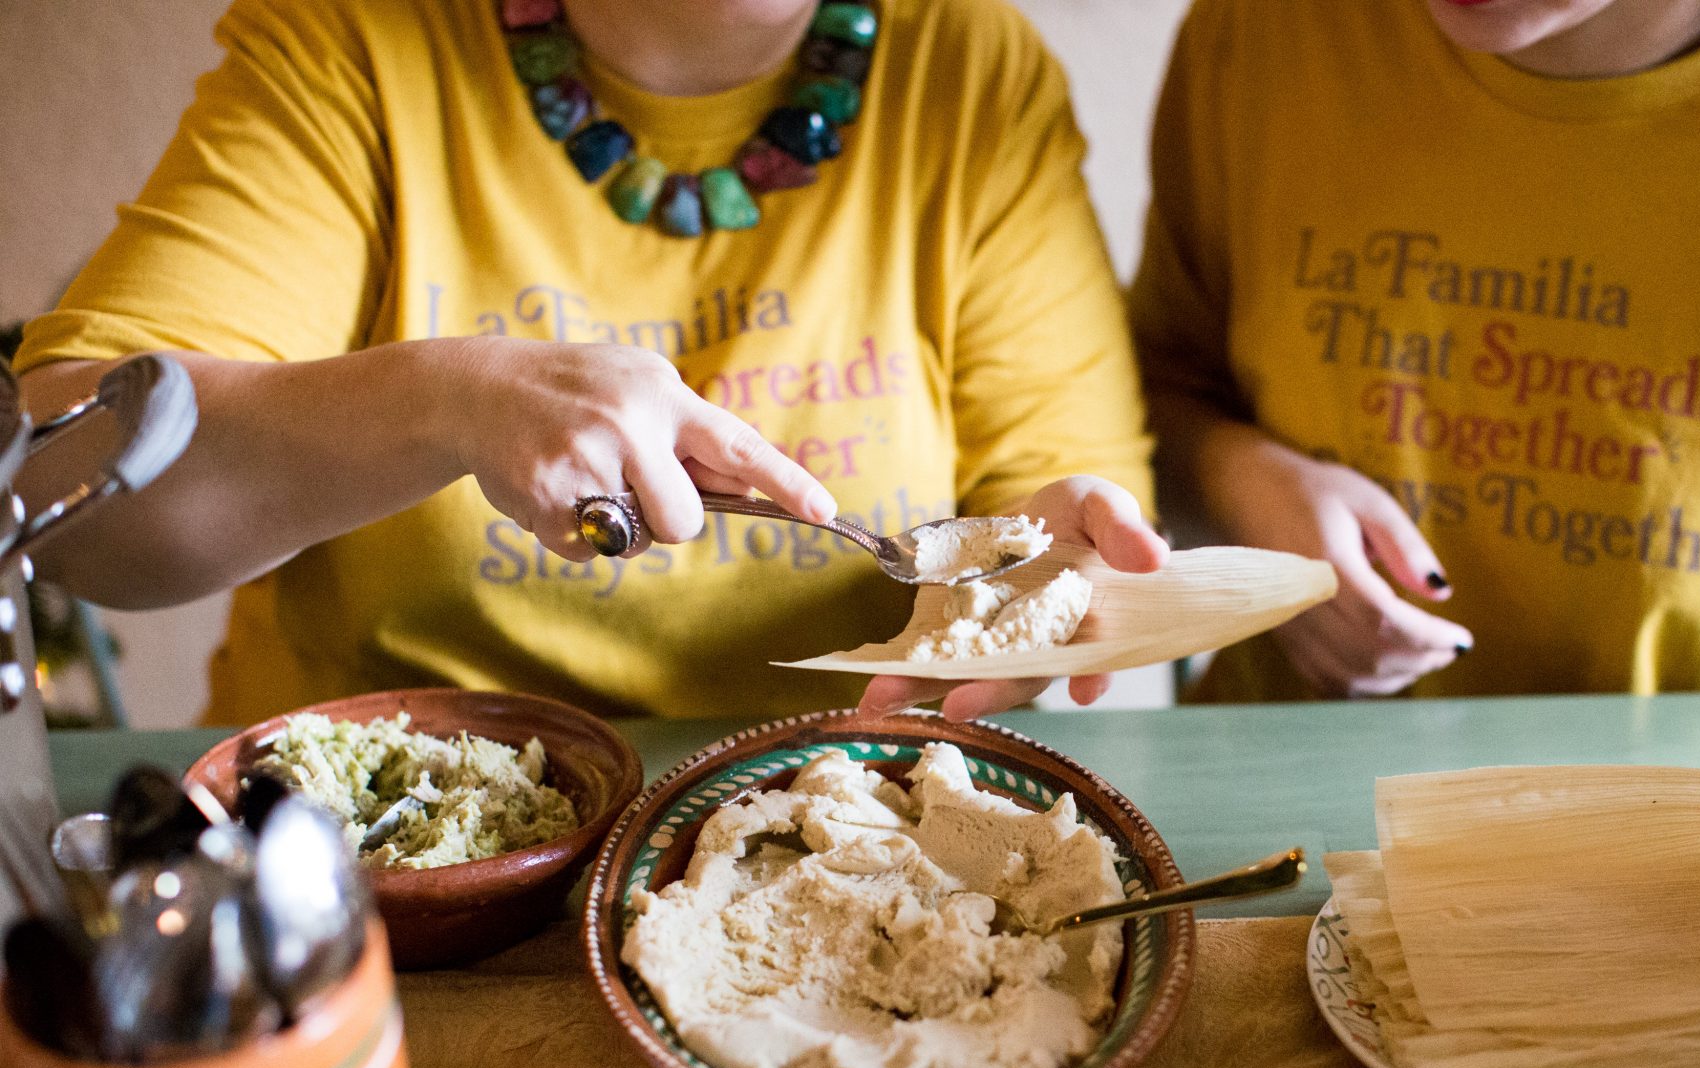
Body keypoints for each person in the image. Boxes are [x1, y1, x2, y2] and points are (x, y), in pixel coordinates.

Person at [12, 0, 1166, 725]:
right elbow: (60, 500)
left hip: (843, 830)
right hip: (383, 874)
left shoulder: (971, 72)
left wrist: (1047, 569)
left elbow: (1070, 511)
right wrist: (447, 398)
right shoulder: (352, 40)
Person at [1131, 0, 1700, 702]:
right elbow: (1136, 418)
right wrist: (1239, 483)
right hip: (1266, 831)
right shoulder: (1260, 33)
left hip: (1691, 876)